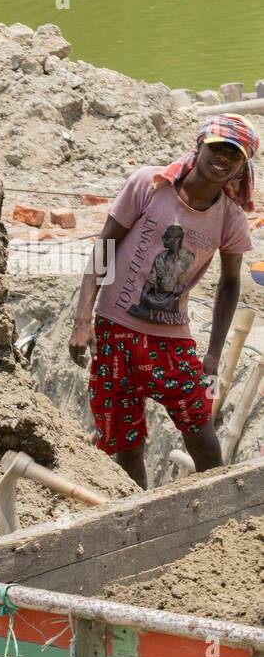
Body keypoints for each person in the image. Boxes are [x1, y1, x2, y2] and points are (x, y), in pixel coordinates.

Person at [69, 114, 259, 487]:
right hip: (116, 330)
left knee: (201, 432)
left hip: (171, 339)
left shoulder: (229, 219)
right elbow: (106, 245)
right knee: (126, 444)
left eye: (234, 156)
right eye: (217, 148)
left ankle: (217, 515)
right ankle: (140, 516)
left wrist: (214, 356)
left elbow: (230, 284)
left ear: (241, 168)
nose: (222, 159)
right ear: (199, 146)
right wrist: (82, 319)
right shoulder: (149, 185)